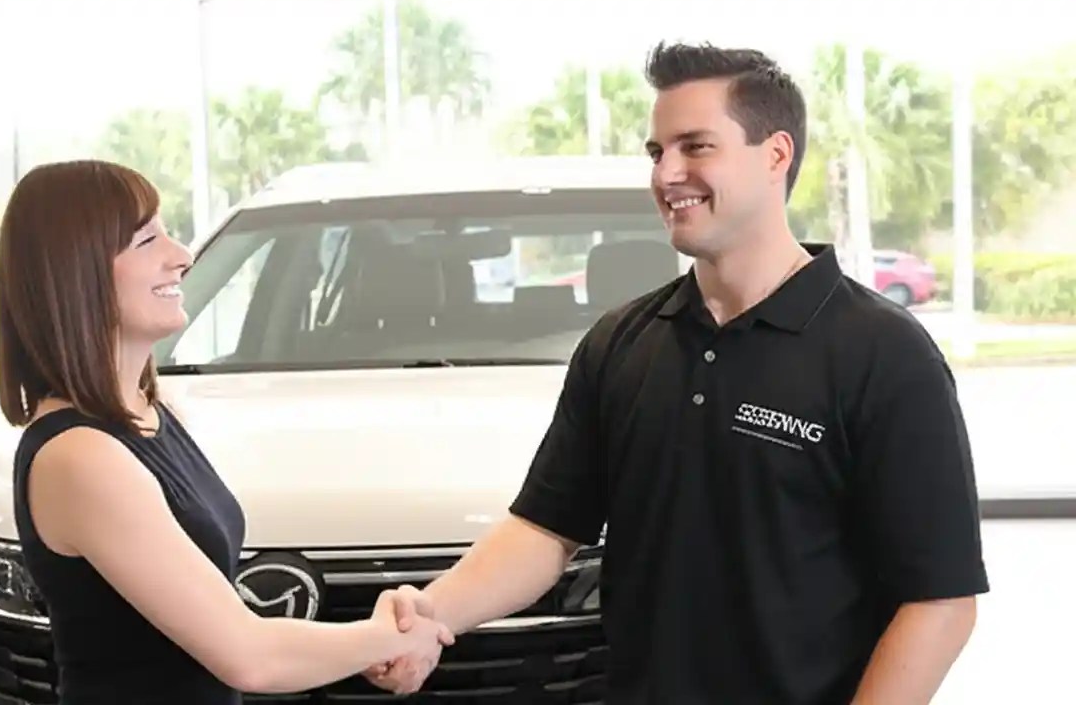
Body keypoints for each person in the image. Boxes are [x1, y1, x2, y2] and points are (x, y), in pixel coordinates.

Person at [365, 41, 989, 704]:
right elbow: (544, 530)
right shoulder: (623, 343)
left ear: (776, 155)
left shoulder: (882, 353)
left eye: (696, 147)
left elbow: (940, 602)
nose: (667, 175)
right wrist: (430, 619)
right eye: (657, 152)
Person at [0, 160, 453, 705]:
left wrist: (373, 639)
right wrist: (387, 638)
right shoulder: (79, 456)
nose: (182, 256)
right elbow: (249, 656)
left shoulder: (151, 413)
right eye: (147, 240)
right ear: (77, 272)